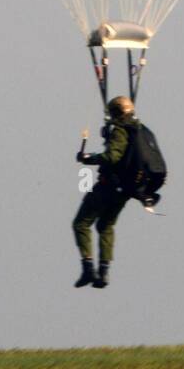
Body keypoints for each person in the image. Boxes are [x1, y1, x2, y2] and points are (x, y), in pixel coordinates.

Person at [72, 96, 139, 289]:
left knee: (81, 223)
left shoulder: (121, 131)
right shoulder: (137, 129)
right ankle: (103, 272)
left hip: (108, 187)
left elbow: (113, 156)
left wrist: (88, 158)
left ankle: (88, 269)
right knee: (105, 226)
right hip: (123, 191)